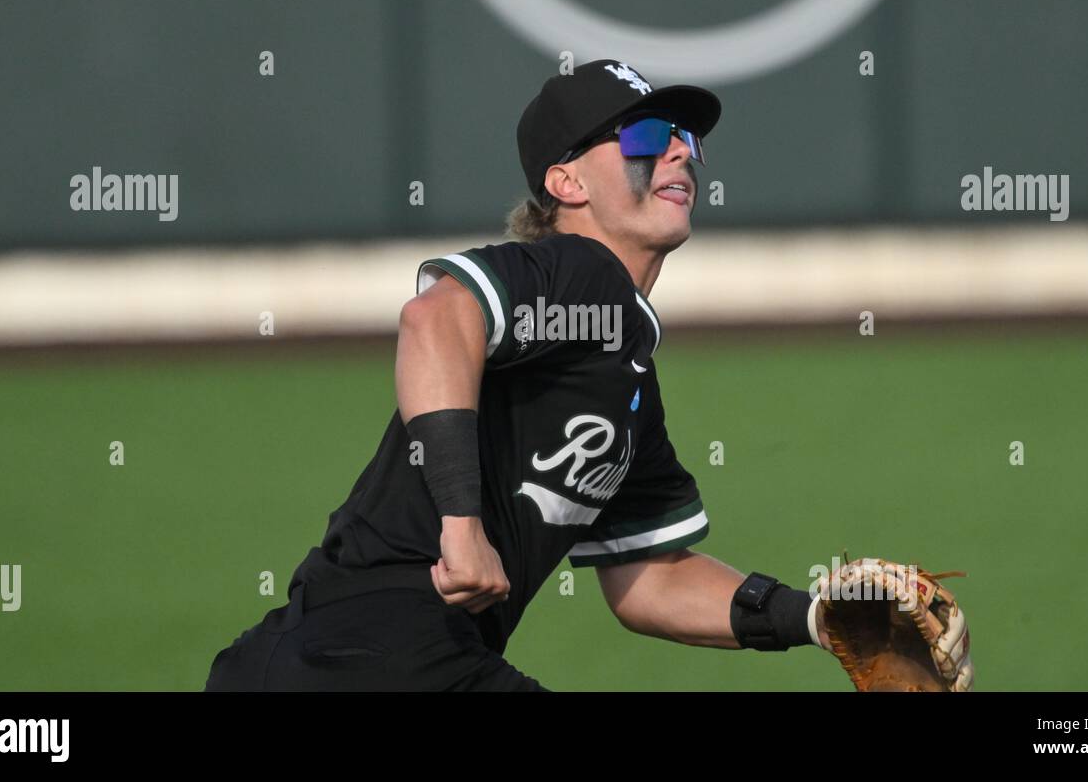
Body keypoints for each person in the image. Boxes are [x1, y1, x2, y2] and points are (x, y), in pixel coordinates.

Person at [204, 59, 832, 692]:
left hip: (328, 654)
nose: (677, 152)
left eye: (682, 139)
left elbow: (652, 577)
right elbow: (435, 316)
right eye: (643, 136)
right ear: (566, 182)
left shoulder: (628, 381)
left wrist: (816, 618)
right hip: (382, 647)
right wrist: (461, 524)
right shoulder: (582, 275)